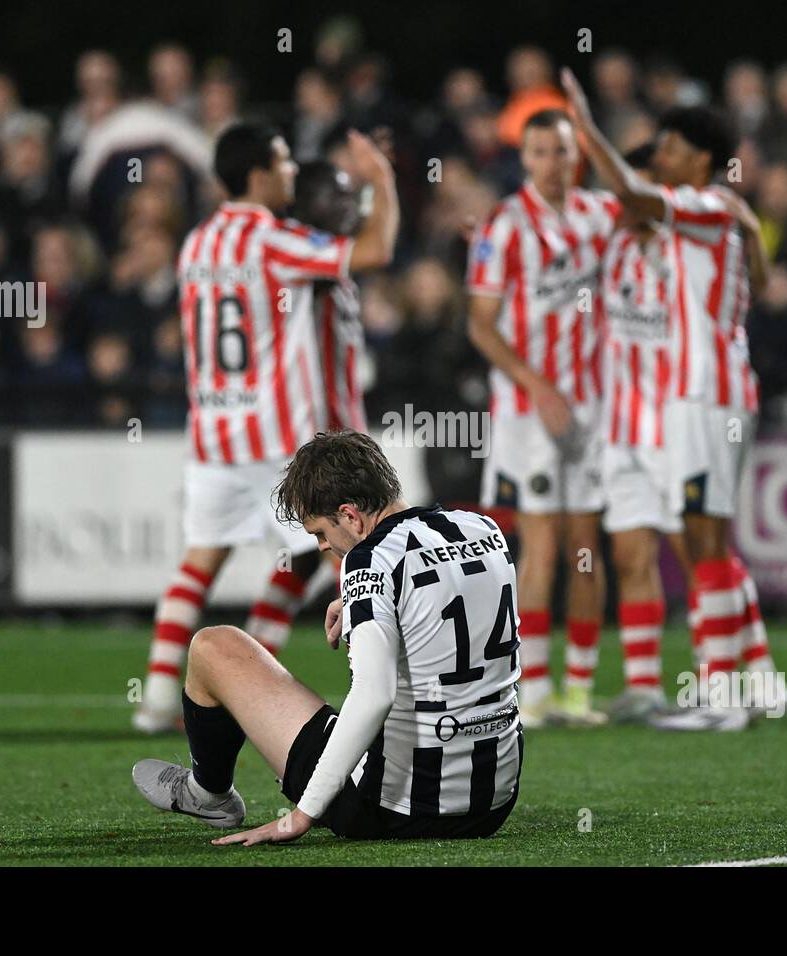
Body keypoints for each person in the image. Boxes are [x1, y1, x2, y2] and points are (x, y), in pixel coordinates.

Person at [132, 123, 398, 733]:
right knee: (349, 558)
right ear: (256, 175)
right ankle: (373, 694)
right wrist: (381, 178)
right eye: (281, 163)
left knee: (199, 565)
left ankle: (154, 698)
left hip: (213, 436)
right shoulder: (275, 238)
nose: (289, 175)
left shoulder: (196, 243)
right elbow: (375, 253)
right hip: (278, 440)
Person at [132, 430, 523, 843]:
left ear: (351, 516)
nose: (321, 547)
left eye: (320, 532)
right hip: (493, 802)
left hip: (391, 809)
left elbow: (374, 696)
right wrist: (360, 599)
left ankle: (207, 793)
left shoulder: (369, 559)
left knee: (214, 646)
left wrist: (302, 814)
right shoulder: (482, 529)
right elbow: (445, 598)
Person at [561, 69, 787, 729]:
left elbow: (633, 190)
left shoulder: (709, 208)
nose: (661, 155)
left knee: (704, 543)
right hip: (688, 400)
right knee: (702, 539)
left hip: (700, 395)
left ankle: (730, 694)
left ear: (700, 157)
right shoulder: (714, 219)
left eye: (671, 145)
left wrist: (586, 126)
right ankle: (723, 692)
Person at [466, 108, 620, 727]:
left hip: (592, 405)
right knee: (543, 547)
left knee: (588, 545)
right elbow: (479, 322)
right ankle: (531, 694)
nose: (551, 164)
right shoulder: (503, 225)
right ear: (524, 159)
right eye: (539, 152)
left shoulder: (600, 215)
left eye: (561, 150)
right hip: (529, 411)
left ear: (576, 154)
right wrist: (536, 385)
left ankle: (579, 690)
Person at [242, 159, 367, 660]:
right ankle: (379, 678)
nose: (348, 206)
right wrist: (377, 174)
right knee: (356, 551)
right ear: (308, 207)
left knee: (305, 557)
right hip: (321, 434)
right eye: (336, 196)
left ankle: (250, 659)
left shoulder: (332, 269)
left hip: (341, 430)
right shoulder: (306, 270)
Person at [597, 142, 694, 722]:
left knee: (695, 555)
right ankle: (644, 684)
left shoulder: (684, 246)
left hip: (677, 423)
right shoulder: (611, 248)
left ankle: (723, 679)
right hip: (622, 428)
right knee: (632, 558)